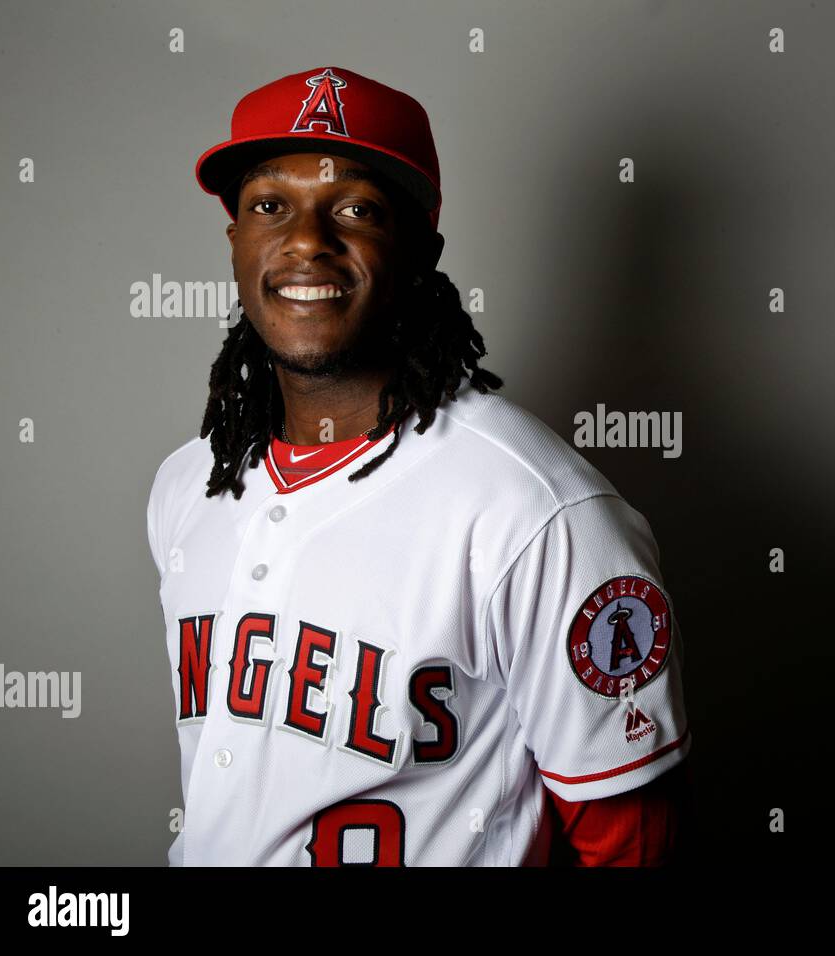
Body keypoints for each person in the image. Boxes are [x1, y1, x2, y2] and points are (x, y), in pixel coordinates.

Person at [145, 66, 692, 866]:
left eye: (356, 209)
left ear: (420, 250)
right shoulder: (187, 486)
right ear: (235, 240)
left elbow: (632, 844)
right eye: (270, 206)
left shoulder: (537, 511)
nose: (306, 241)